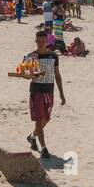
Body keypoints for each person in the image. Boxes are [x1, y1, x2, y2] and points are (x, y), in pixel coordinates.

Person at [25, 28, 65, 159]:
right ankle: (44, 148)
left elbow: (57, 75)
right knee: (39, 120)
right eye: (39, 41)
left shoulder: (53, 56)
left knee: (46, 119)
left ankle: (32, 137)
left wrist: (62, 94)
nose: (41, 43)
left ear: (47, 41)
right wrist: (30, 73)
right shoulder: (31, 56)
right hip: (36, 91)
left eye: (43, 40)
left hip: (49, 91)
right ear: (35, 41)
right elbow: (25, 75)